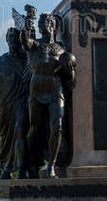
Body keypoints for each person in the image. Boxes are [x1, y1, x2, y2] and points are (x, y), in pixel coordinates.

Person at [21, 12, 76, 178]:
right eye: (41, 22)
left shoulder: (62, 48)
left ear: (53, 25)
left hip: (55, 89)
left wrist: (70, 66)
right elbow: (25, 40)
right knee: (34, 129)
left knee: (57, 125)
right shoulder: (35, 44)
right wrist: (27, 23)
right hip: (37, 89)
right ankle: (32, 163)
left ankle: (51, 164)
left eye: (47, 21)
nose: (43, 24)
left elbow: (69, 72)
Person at [0, 27, 31, 179]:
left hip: (21, 101)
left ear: (19, 40)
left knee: (21, 129)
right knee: (5, 137)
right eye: (9, 38)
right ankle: (6, 167)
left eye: (14, 38)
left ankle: (22, 168)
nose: (11, 40)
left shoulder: (27, 59)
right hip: (4, 106)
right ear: (6, 40)